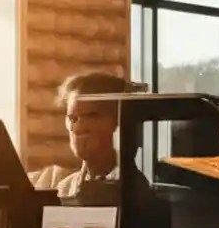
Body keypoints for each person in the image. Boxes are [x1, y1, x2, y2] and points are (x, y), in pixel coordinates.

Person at [29, 72, 138, 200]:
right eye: (73, 118)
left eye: (92, 116)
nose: (79, 128)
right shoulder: (65, 189)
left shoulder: (133, 191)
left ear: (118, 121)